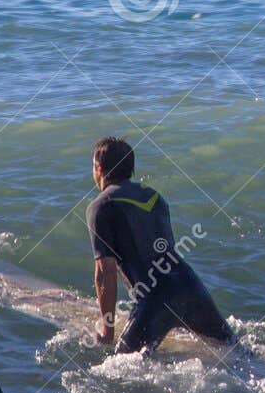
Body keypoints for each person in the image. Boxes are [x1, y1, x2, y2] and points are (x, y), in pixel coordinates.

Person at [88, 135, 234, 353]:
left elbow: (105, 272)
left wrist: (107, 332)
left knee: (121, 364)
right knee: (237, 353)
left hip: (156, 297)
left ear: (99, 168)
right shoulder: (155, 198)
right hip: (191, 286)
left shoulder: (100, 206)